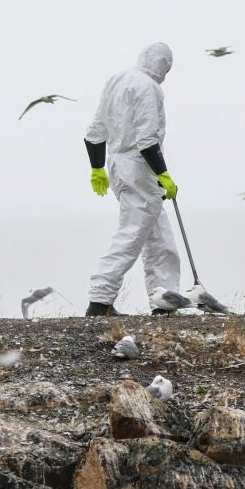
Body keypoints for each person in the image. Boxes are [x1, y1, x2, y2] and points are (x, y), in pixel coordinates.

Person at [82, 43, 181, 316]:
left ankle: (166, 302)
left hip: (119, 165)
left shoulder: (116, 80)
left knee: (160, 239)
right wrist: (163, 173)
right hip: (139, 167)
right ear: (163, 64)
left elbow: (95, 131)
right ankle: (99, 301)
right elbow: (147, 140)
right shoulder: (149, 88)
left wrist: (97, 167)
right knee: (132, 233)